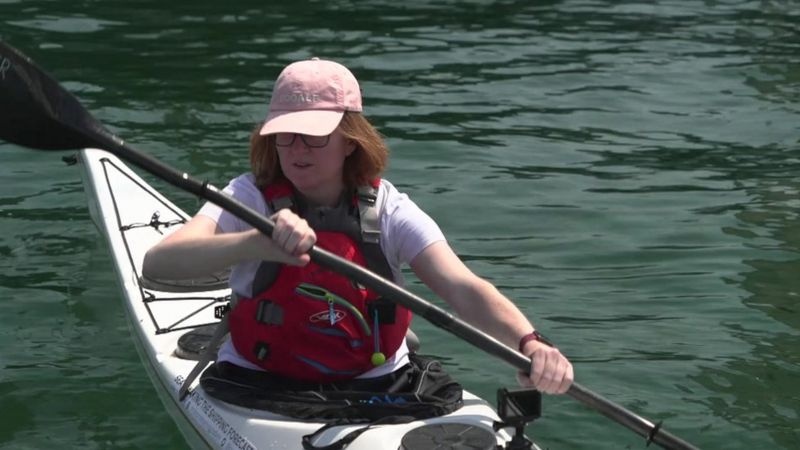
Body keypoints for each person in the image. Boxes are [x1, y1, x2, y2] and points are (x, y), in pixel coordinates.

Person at [142, 57, 573, 396]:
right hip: (256, 380)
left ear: (349, 140)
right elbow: (160, 264)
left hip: (378, 384)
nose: (296, 149)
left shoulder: (389, 210)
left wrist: (529, 344)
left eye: (313, 135)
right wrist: (254, 242)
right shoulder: (249, 197)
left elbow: (462, 286)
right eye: (285, 134)